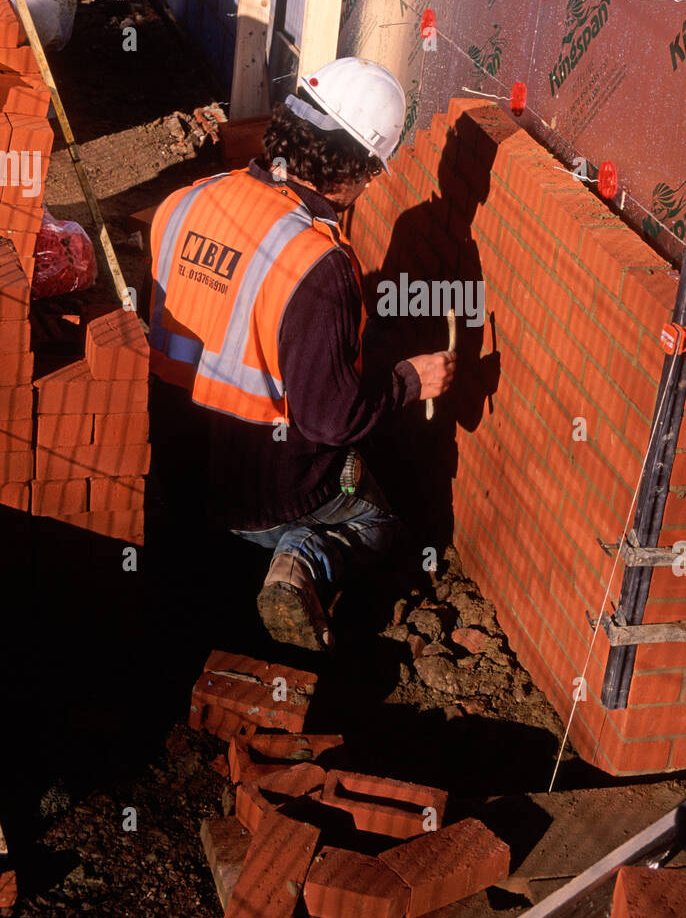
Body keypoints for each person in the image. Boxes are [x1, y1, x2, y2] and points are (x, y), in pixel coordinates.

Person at [148, 57, 456, 651]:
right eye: (371, 176)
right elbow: (329, 418)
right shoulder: (317, 266)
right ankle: (300, 561)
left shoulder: (185, 201)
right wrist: (408, 381)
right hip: (265, 495)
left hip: (176, 470)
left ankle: (198, 548)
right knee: (379, 521)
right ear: (358, 169)